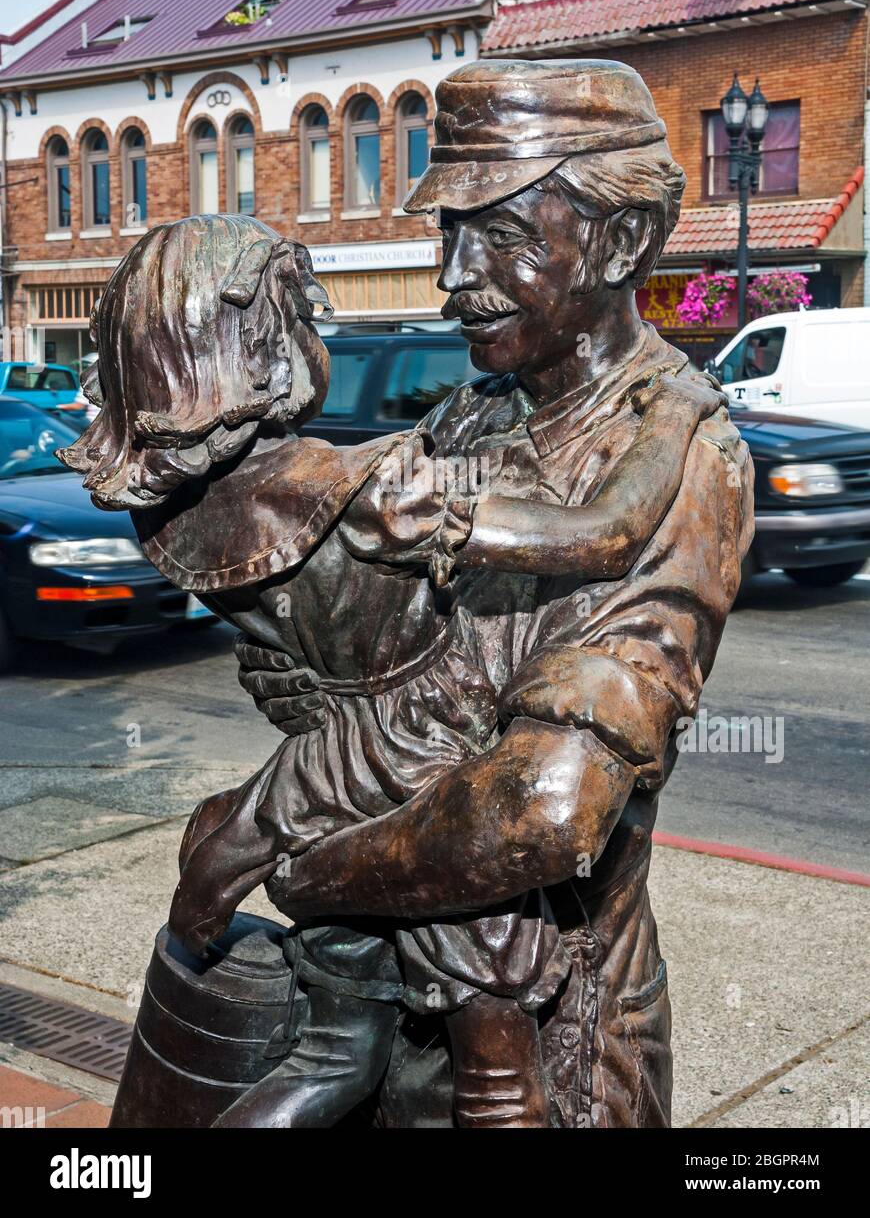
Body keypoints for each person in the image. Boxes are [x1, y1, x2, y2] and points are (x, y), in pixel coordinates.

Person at [61, 207, 724, 1129]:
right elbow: (602, 532)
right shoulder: (353, 485)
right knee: (491, 1028)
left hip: (324, 767)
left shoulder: (177, 511)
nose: (454, 276)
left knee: (335, 1048)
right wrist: (679, 416)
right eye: (301, 318)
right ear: (255, 348)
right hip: (419, 751)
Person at [236, 59, 755, 1128]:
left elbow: (541, 811)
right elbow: (369, 631)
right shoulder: (471, 420)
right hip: (406, 994)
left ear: (616, 245)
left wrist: (307, 868)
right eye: (448, 235)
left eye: (503, 234)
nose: (454, 277)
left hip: (554, 1036)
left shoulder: (682, 456)